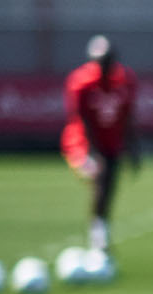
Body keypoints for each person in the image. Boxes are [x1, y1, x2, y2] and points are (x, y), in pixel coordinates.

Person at [61, 35, 139, 253]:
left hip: (111, 143)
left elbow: (127, 116)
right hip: (81, 144)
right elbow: (80, 118)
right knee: (101, 177)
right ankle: (98, 234)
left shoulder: (125, 81)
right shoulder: (81, 82)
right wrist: (92, 151)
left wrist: (132, 147)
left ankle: (100, 227)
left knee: (109, 184)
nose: (104, 66)